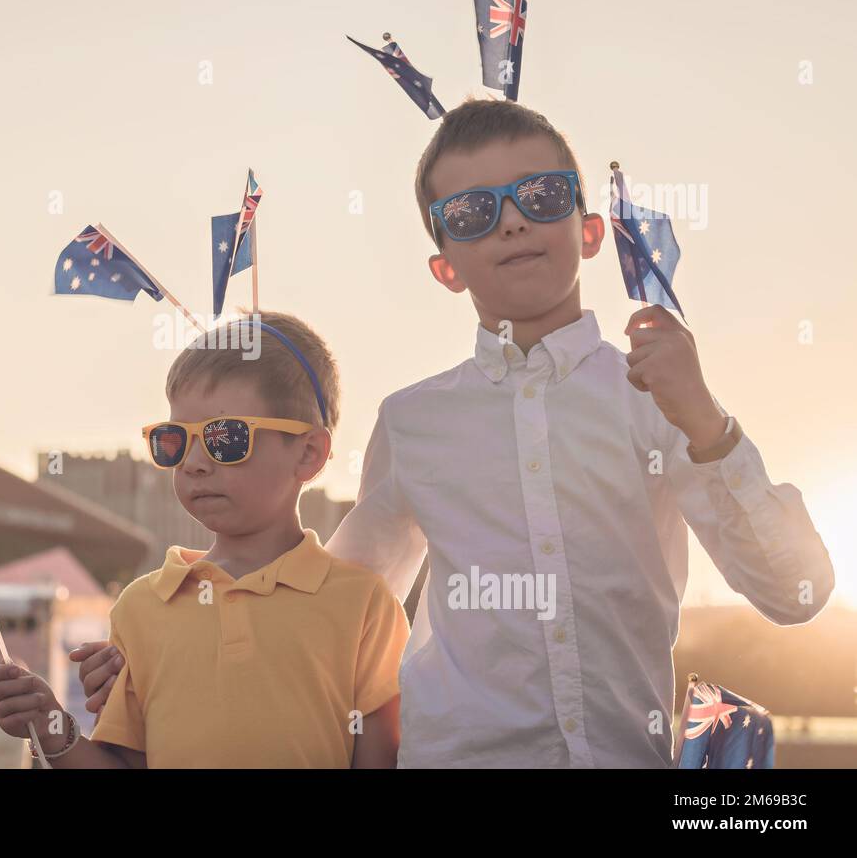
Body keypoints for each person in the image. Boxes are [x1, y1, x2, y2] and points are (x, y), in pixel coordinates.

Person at [74, 99, 835, 768]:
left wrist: (704, 418)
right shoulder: (413, 423)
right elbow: (337, 605)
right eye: (472, 213)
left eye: (540, 196)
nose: (511, 221)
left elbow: (796, 595)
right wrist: (158, 657)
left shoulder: (663, 401)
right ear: (445, 266)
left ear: (591, 228)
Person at [0, 312, 409, 767]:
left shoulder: (364, 605)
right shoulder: (142, 608)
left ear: (308, 453)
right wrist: (53, 727)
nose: (193, 462)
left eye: (224, 438)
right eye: (174, 440)